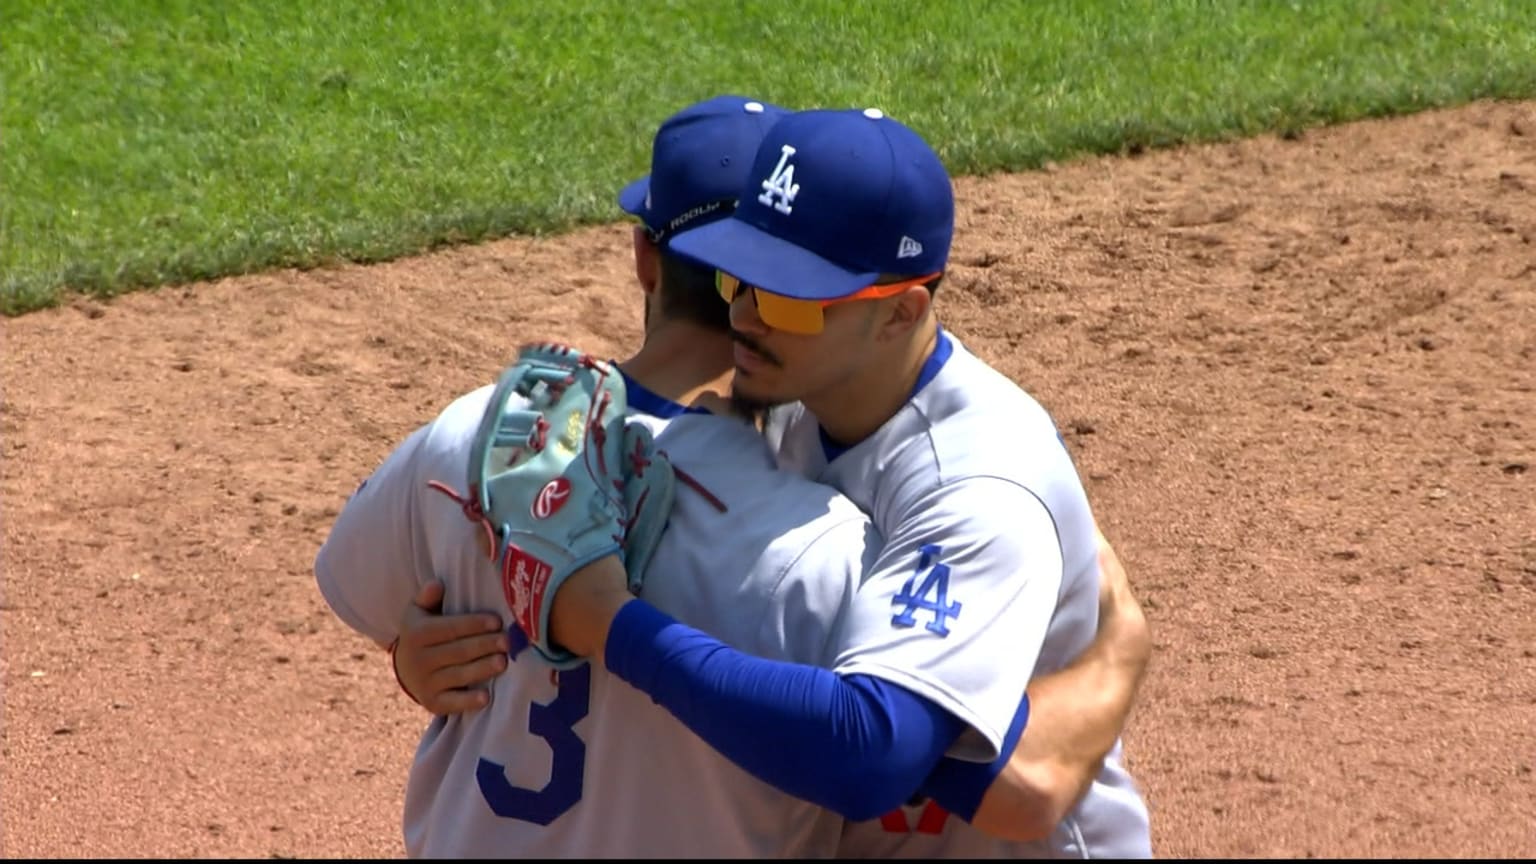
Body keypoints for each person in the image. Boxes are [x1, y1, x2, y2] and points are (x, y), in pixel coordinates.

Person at [317, 96, 1149, 857]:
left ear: (903, 307)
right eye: (738, 278)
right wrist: (434, 649)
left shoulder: (980, 488)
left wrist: (607, 622)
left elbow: (887, 753)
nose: (745, 317)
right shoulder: (786, 393)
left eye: (791, 300)